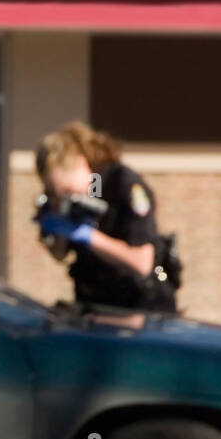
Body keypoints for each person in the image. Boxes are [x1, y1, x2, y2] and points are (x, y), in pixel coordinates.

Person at [34, 121, 180, 316]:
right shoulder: (68, 199)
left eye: (68, 191)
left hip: (140, 311)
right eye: (56, 194)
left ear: (81, 163)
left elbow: (142, 263)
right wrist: (56, 225)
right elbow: (59, 254)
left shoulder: (123, 184)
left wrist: (89, 236)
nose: (67, 198)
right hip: (96, 308)